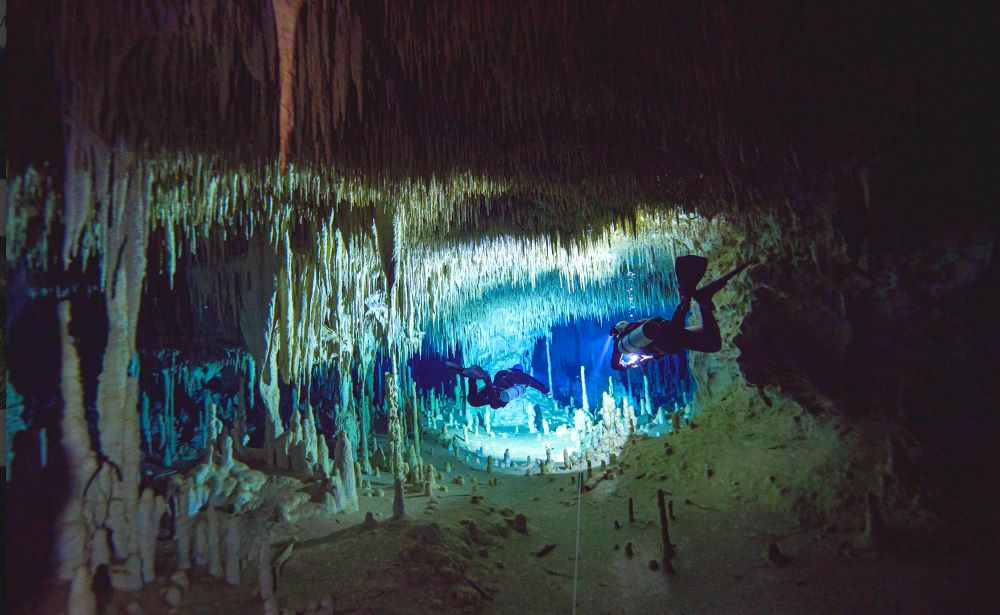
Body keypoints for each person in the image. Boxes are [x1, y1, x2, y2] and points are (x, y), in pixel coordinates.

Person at [609, 255, 751, 370]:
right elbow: (658, 322)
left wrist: (629, 365)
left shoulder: (621, 342)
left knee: (712, 344)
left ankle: (694, 300)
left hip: (670, 341)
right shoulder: (636, 329)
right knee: (709, 339)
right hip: (669, 334)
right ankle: (694, 300)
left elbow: (615, 365)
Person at [447, 362, 550, 409]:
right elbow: (535, 383)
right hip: (498, 395)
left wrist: (490, 387)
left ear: (512, 369)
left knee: (473, 400)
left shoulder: (504, 373)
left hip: (489, 391)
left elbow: (496, 381)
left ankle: (472, 378)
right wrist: (545, 391)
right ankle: (485, 378)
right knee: (496, 404)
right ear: (521, 371)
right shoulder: (524, 377)